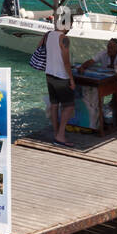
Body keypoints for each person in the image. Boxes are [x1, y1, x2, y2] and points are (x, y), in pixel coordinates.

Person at [40, 8, 76, 145]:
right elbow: (66, 62)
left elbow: (40, 48)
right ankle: (60, 136)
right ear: (66, 23)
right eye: (71, 23)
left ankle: (56, 133)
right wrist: (72, 79)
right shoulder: (64, 38)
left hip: (49, 75)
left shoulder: (48, 35)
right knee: (69, 106)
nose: (71, 27)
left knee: (54, 105)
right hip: (61, 76)